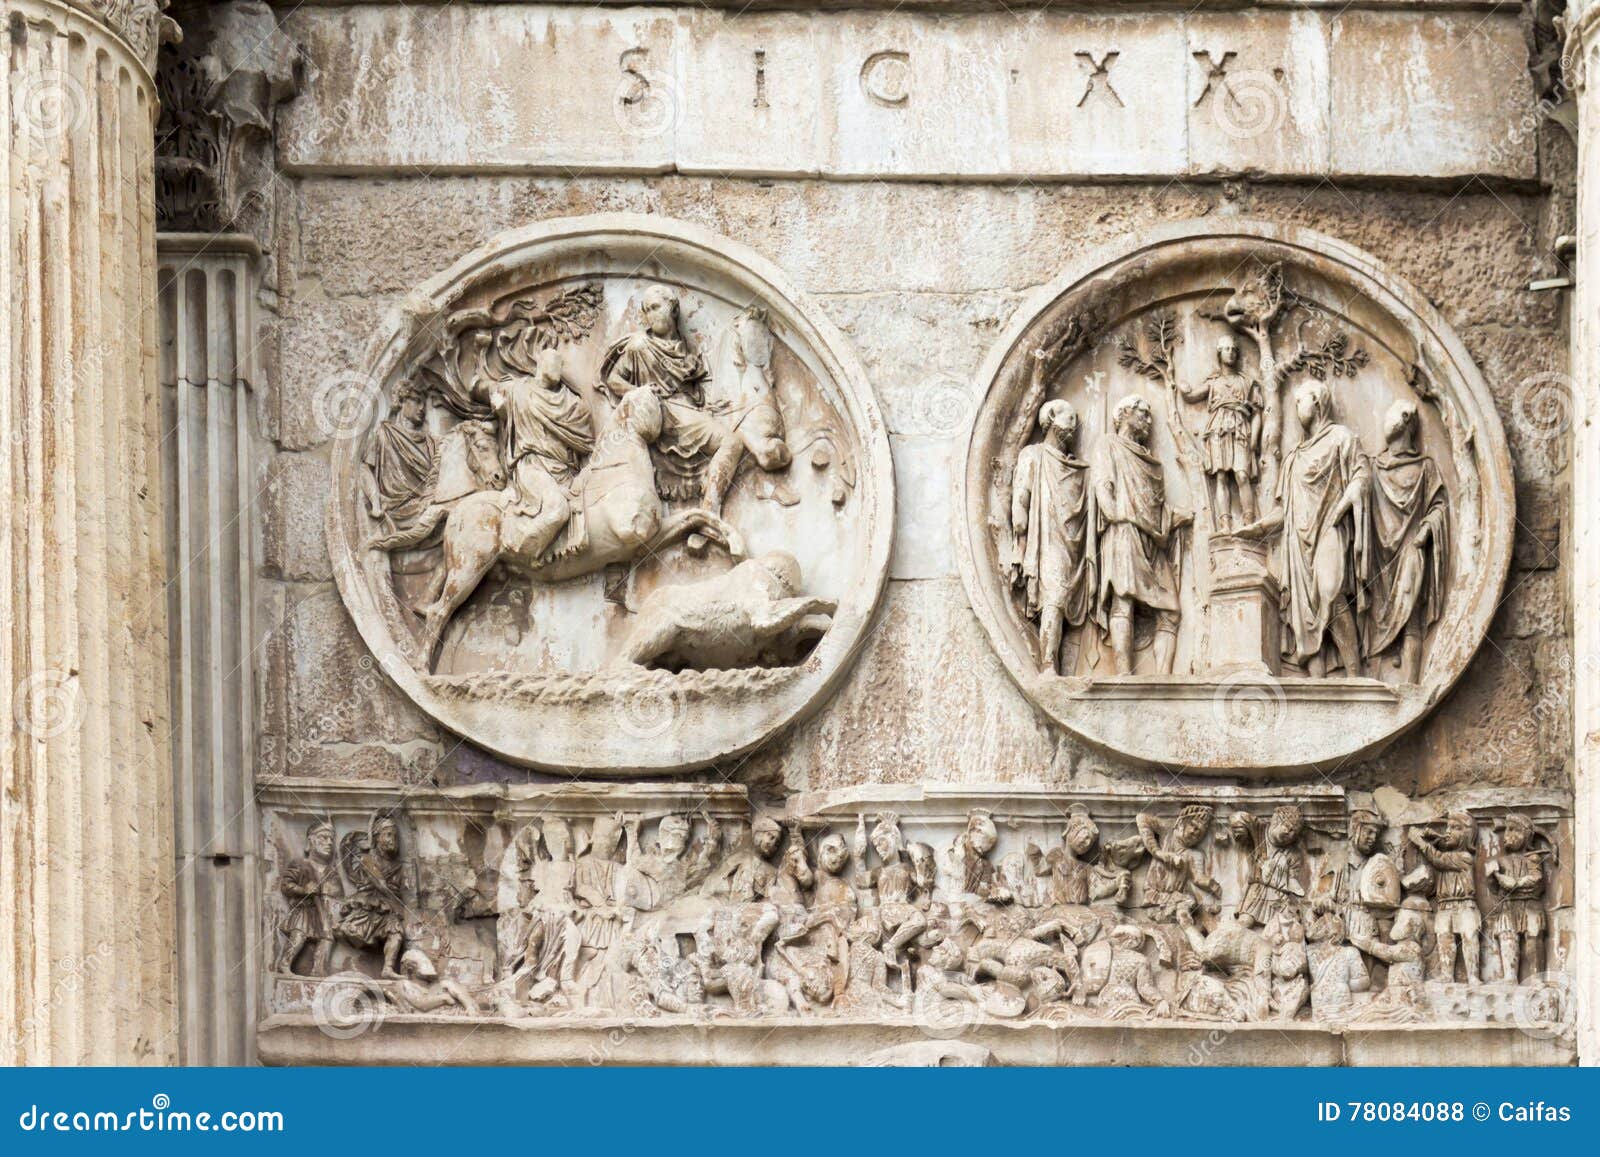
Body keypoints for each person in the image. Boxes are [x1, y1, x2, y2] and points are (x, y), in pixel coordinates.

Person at [1239, 382, 1368, 677]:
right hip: (1297, 543)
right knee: (1301, 613)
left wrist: (1350, 496)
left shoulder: (1341, 438)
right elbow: (1283, 512)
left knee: (1330, 590)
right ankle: (1317, 683)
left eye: (1300, 401)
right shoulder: (1294, 457)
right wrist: (1256, 528)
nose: (1297, 409)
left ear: (1318, 402)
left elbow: (1362, 473)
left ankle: (1355, 674)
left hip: (1329, 529)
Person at [1091, 394, 1190, 675]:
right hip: (1123, 532)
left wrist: (1173, 517)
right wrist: (1118, 517)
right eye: (1143, 413)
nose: (1148, 420)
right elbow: (1103, 489)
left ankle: (1163, 677)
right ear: (1124, 414)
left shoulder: (1150, 460)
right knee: (1123, 600)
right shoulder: (1108, 444)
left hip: (1151, 537)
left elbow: (1153, 505)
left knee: (1171, 610)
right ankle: (1123, 673)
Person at [600, 286, 721, 501]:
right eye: (646, 310)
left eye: (656, 307)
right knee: (731, 441)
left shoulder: (683, 347)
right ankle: (712, 503)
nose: (650, 316)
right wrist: (640, 393)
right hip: (666, 413)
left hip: (688, 409)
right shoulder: (640, 345)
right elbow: (613, 379)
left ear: (673, 309)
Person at [1364, 400, 1449, 683]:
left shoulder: (1425, 467)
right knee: (1377, 619)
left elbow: (1438, 506)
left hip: (1411, 549)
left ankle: (1411, 683)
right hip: (1379, 557)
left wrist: (1425, 530)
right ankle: (1372, 686)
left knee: (1412, 613)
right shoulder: (1375, 467)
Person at [1009, 399, 1093, 674]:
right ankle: (1048, 663)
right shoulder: (1033, 455)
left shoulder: (1076, 467)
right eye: (1069, 418)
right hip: (1046, 539)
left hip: (1072, 541)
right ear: (1052, 418)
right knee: (1054, 598)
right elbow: (1022, 493)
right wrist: (1019, 524)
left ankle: (1067, 668)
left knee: (1068, 601)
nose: (1075, 426)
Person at [487, 345, 595, 558]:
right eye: (554, 361)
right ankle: (521, 550)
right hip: (532, 467)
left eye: (561, 363)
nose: (559, 367)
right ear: (540, 363)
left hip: (565, 472)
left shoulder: (571, 403)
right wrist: (498, 405)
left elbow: (585, 437)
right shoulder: (517, 390)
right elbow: (491, 394)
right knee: (557, 510)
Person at [1178, 334, 1263, 530]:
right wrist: (1183, 388)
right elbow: (1192, 396)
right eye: (1227, 349)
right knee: (1221, 476)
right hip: (1218, 428)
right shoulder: (1213, 381)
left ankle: (1249, 522)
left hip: (1241, 427)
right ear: (1219, 353)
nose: (1231, 353)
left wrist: (1254, 441)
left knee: (1242, 474)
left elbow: (1257, 413)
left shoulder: (1247, 381)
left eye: (1234, 349)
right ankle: (1225, 524)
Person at [1409, 812, 1481, 984]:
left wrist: (1419, 841)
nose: (1448, 831)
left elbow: (1439, 859)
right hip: (1444, 905)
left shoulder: (1465, 857)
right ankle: (1447, 975)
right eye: (1447, 827)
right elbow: (1440, 850)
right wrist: (1433, 836)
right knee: (1444, 938)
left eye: (1455, 828)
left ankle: (1473, 976)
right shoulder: (1447, 850)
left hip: (1465, 905)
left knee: (1469, 937)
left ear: (1468, 835)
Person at [361, 380, 437, 538]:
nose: (422, 408)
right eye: (416, 400)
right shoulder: (383, 434)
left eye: (424, 403)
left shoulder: (431, 443)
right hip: (396, 509)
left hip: (428, 507)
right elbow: (365, 468)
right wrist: (375, 503)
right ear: (401, 400)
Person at [337, 816, 410, 979]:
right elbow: (381, 884)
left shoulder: (398, 865)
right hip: (371, 905)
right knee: (354, 929)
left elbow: (405, 889)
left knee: (396, 932)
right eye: (388, 835)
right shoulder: (367, 859)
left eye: (395, 836)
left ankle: (388, 968)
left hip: (389, 909)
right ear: (377, 838)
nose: (393, 840)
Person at [275, 820, 344, 976]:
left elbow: (340, 895)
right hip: (305, 910)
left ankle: (319, 969)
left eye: (331, 839)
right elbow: (286, 885)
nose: (329, 843)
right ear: (311, 841)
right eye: (323, 838)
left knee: (327, 938)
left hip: (324, 913)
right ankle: (284, 964)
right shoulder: (301, 863)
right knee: (299, 935)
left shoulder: (331, 871)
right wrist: (303, 890)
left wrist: (330, 892)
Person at [1487, 814, 1548, 985]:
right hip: (1508, 906)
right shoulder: (1501, 861)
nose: (1507, 834)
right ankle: (1510, 977)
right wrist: (1492, 877)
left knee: (1533, 938)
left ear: (1525, 835)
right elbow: (1494, 889)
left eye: (1512, 829)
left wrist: (1518, 882)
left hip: (1530, 905)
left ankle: (1536, 977)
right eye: (1506, 829)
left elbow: (1537, 879)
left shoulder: (1533, 858)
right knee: (1508, 938)